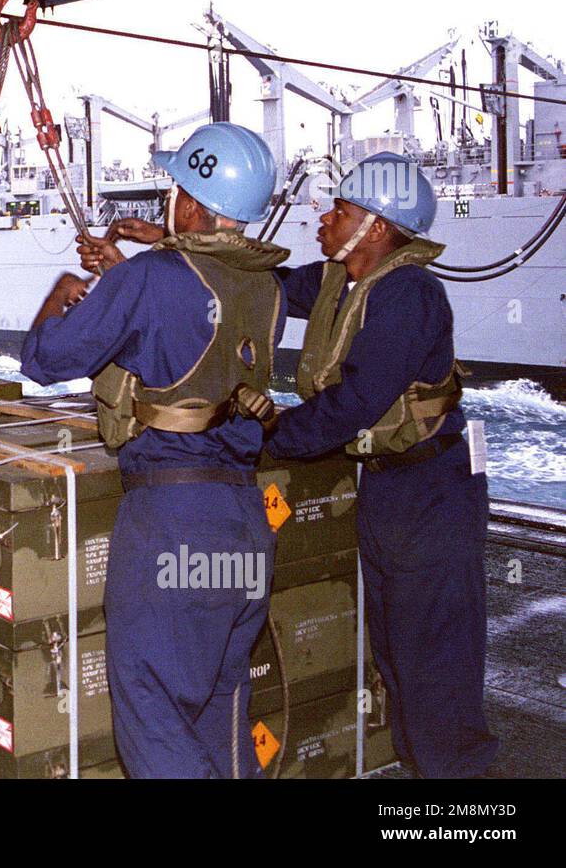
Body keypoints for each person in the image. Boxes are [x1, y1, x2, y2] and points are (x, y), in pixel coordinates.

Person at [88, 151, 499, 779]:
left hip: (432, 491)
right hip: (387, 487)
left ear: (378, 228)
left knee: (436, 660)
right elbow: (247, 285)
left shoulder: (409, 295)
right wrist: (164, 248)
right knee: (396, 656)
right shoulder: (343, 280)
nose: (323, 217)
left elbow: (353, 406)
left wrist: (251, 439)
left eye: (341, 210)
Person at [26, 122, 289, 778]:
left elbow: (48, 358)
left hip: (173, 525)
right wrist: (129, 277)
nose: (171, 198)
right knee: (222, 704)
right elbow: (193, 324)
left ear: (194, 204)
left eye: (178, 188)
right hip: (243, 526)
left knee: (153, 708)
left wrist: (59, 302)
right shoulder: (267, 289)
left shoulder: (152, 277)